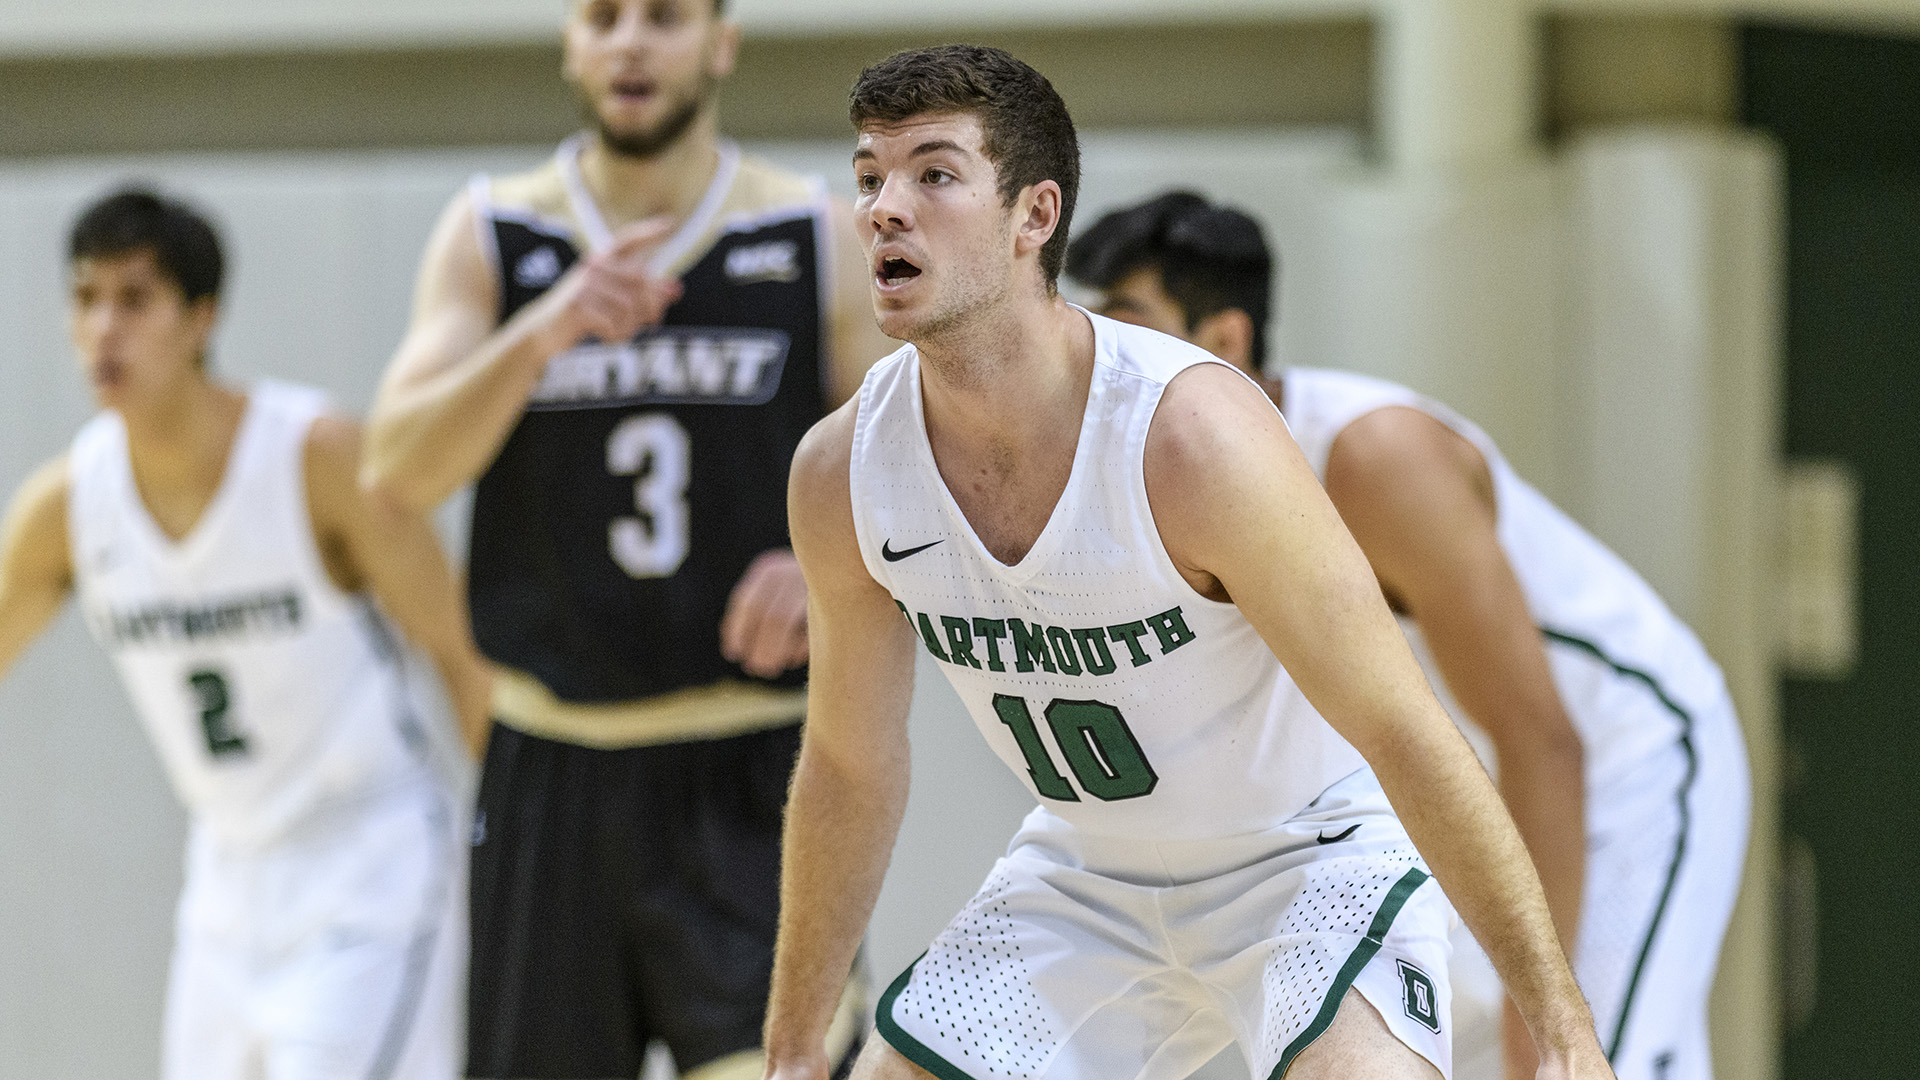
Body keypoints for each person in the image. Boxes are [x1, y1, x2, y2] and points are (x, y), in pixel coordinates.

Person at [763, 45, 1618, 1080]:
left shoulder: (1194, 435)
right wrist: (796, 1042)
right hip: (1086, 873)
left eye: (933, 175)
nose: (885, 208)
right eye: (869, 178)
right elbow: (850, 766)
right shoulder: (843, 470)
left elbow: (1404, 726)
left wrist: (1564, 1030)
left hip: (1308, 862)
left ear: (1035, 217)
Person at [1065, 190, 1750, 1080]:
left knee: (1587, 1058)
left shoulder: (1376, 461)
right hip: (1463, 783)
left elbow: (1543, 741)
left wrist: (1534, 1031)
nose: (1103, 364)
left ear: (1226, 341)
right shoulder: (1159, 482)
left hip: (1627, 757)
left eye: (1129, 329)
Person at [361, 2, 893, 1078]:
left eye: (664, 16)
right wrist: (544, 329)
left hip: (756, 772)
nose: (632, 44)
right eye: (604, 17)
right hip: (553, 776)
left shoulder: (810, 232)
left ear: (721, 42)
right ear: (570, 42)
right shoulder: (495, 234)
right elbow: (396, 470)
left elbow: (912, 473)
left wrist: (826, 561)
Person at [0, 188, 488, 1079]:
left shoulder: (317, 457)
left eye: (134, 299)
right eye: (85, 298)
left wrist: (510, 863)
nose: (104, 327)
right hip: (226, 884)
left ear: (201, 318)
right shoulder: (68, 505)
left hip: (371, 868)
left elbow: (460, 655)